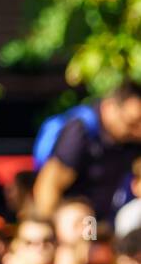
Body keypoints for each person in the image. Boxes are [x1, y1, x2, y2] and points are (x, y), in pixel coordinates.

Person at [33, 82, 141, 222]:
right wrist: (55, 234)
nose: (138, 132)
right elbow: (48, 187)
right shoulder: (80, 131)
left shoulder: (128, 141)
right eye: (132, 123)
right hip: (77, 225)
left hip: (102, 225)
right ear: (109, 107)